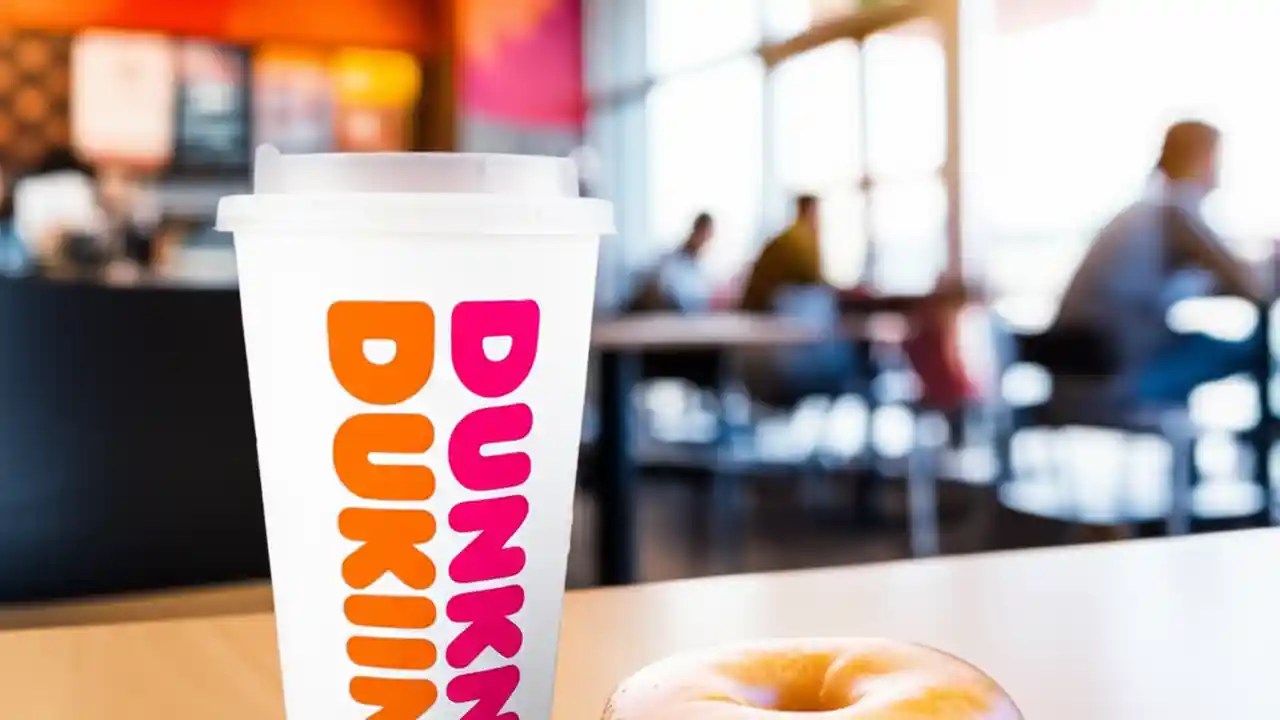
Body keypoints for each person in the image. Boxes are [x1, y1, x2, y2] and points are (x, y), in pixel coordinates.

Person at [1055, 120, 1265, 404]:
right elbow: (1246, 283)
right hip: (1116, 360)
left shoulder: (1149, 207)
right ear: (1202, 158)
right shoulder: (1175, 211)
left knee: (1205, 347)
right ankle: (1257, 443)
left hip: (1088, 354)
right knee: (1252, 353)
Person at [741, 194, 824, 312]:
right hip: (764, 309)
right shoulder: (798, 237)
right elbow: (811, 275)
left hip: (759, 304)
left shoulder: (791, 234)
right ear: (811, 210)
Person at [628, 212, 716, 312]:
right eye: (702, 233)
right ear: (694, 230)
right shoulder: (669, 259)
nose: (704, 239)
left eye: (707, 235)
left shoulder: (700, 267)